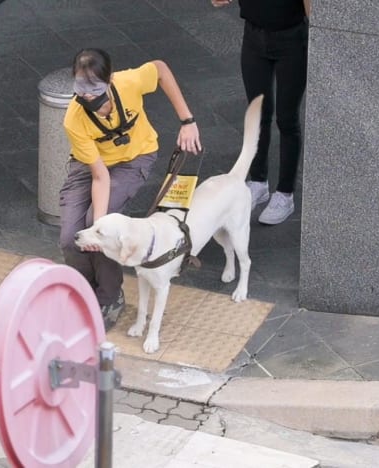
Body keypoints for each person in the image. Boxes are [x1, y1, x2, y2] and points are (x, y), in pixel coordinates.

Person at [59, 48, 201, 330]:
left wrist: (187, 121)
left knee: (97, 226)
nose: (87, 95)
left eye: (94, 87)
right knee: (70, 239)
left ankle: (110, 297)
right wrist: (95, 230)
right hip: (91, 167)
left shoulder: (128, 82)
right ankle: (87, 292)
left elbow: (160, 66)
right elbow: (99, 176)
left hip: (134, 158)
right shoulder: (74, 118)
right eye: (80, 87)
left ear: (109, 80)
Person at [212, 0, 310, 225]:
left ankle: (285, 194)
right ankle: (258, 182)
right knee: (257, 113)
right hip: (254, 36)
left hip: (292, 39)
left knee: (287, 118)